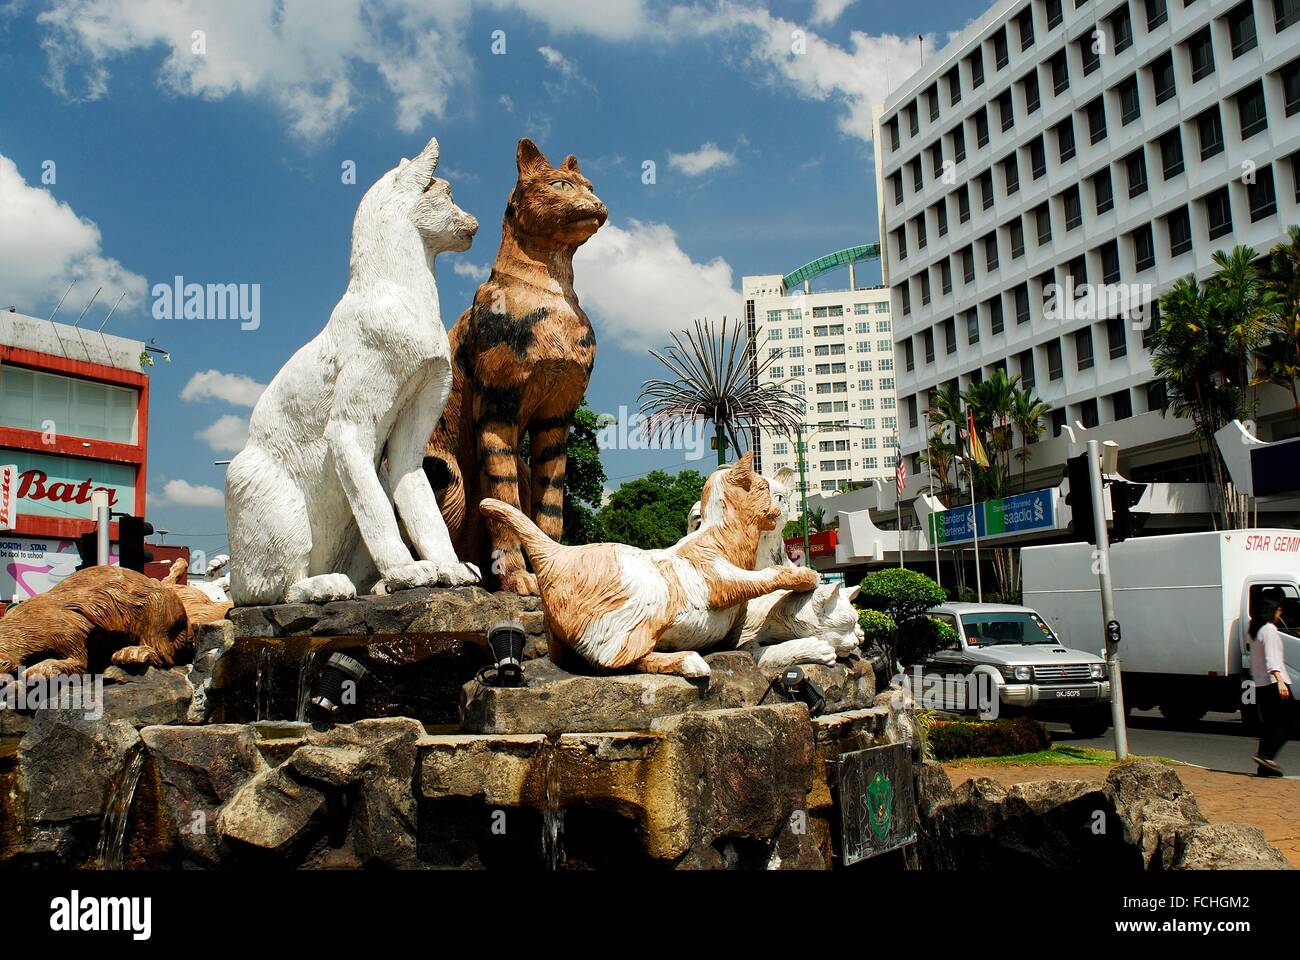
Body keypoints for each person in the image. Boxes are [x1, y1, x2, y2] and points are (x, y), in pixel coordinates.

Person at [1249, 598, 1293, 776]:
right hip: (1274, 682)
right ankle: (1266, 756)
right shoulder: (1270, 630)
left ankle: (1264, 768)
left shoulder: (1255, 631)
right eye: (1278, 610)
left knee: (1269, 725)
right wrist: (1280, 680)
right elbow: (1272, 658)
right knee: (1290, 722)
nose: (1280, 613)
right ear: (1271, 611)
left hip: (1261, 684)